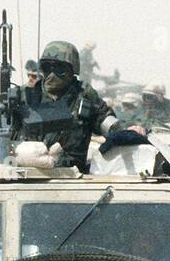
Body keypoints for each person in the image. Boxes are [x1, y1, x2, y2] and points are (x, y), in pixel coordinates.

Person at [22, 40, 125, 173]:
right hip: (29, 179)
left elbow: (110, 125)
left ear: (72, 70)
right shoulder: (26, 98)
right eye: (47, 68)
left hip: (73, 180)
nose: (52, 75)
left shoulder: (84, 96)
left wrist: (128, 132)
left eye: (59, 69)